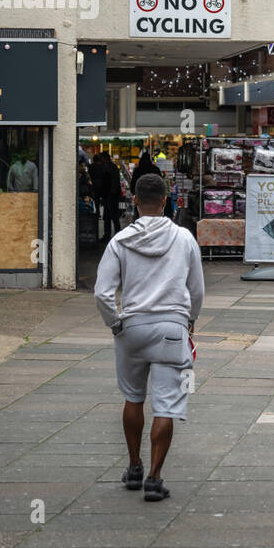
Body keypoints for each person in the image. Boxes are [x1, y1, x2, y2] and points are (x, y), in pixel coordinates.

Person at [94, 173, 205, 502]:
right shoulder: (184, 238)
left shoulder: (119, 241)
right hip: (171, 328)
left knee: (133, 398)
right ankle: (155, 479)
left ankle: (134, 465)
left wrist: (115, 323)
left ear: (134, 200)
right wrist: (191, 319)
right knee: (166, 406)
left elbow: (102, 293)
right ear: (167, 199)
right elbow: (196, 290)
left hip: (132, 328)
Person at [93, 153, 124, 242]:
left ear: (105, 158)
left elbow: (114, 181)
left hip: (111, 195)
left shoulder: (111, 168)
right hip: (108, 194)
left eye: (102, 158)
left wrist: (112, 193)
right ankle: (109, 235)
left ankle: (115, 235)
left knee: (113, 215)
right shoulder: (109, 167)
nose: (101, 160)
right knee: (108, 216)